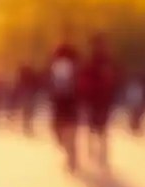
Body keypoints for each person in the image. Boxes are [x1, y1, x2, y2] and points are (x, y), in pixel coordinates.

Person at [79, 35, 120, 168]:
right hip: (94, 99)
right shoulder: (92, 61)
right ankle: (94, 152)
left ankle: (100, 153)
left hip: (103, 99)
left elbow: (116, 78)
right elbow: (84, 81)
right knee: (94, 127)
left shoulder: (106, 61)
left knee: (101, 127)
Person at [47, 40, 81, 172]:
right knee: (68, 129)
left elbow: (50, 84)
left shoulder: (56, 67)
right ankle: (71, 155)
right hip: (66, 102)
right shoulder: (60, 67)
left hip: (64, 102)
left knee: (63, 129)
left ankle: (71, 156)